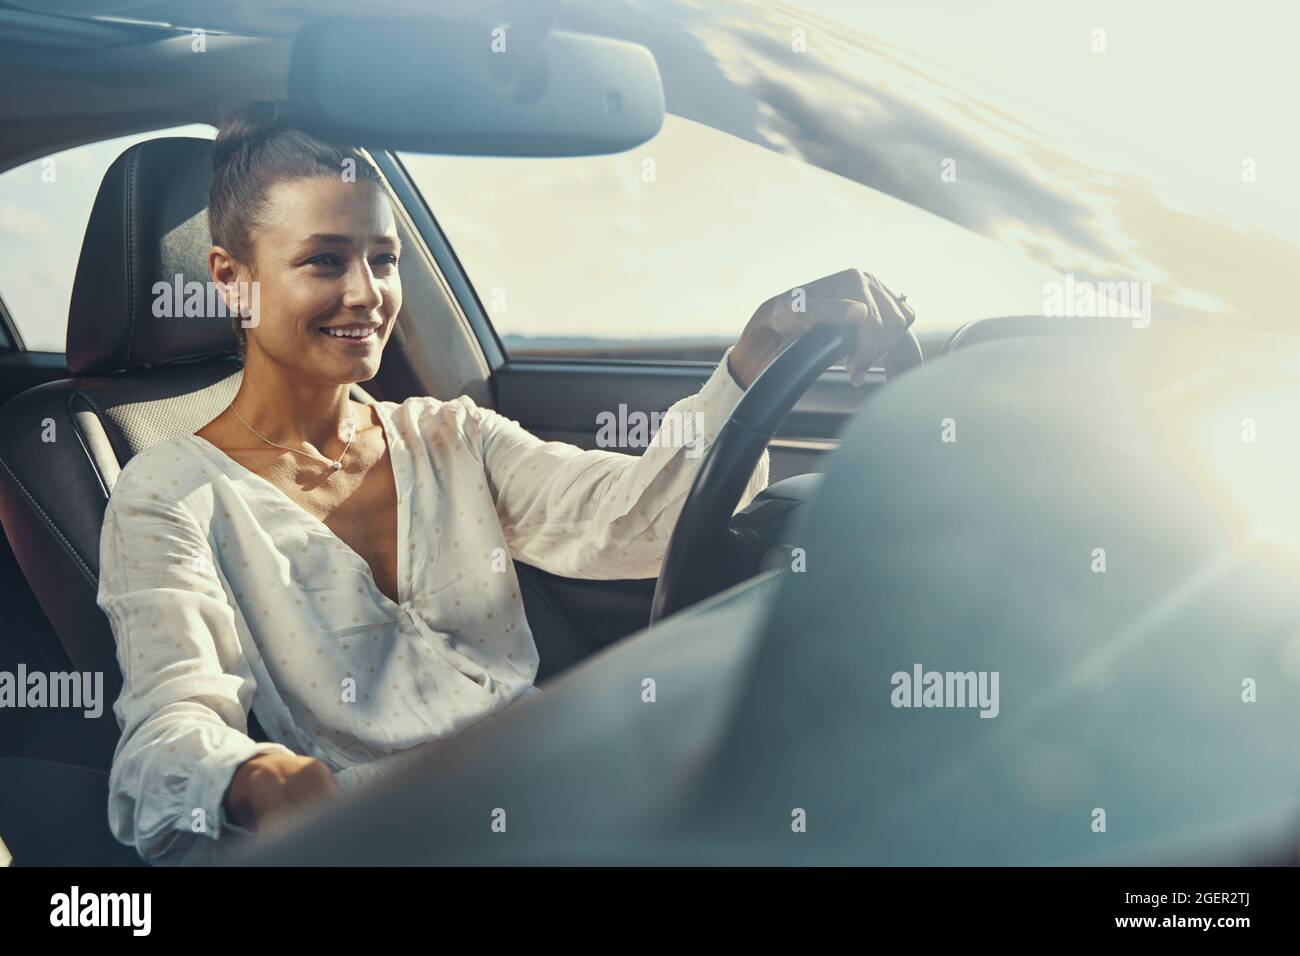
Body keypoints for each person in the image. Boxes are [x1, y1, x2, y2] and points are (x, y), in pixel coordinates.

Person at [96, 99, 916, 865]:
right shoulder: (169, 495)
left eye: (383, 259)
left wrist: (755, 353)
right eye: (324, 261)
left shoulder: (450, 436)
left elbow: (638, 521)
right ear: (232, 278)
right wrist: (259, 778)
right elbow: (167, 729)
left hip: (561, 795)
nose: (367, 293)